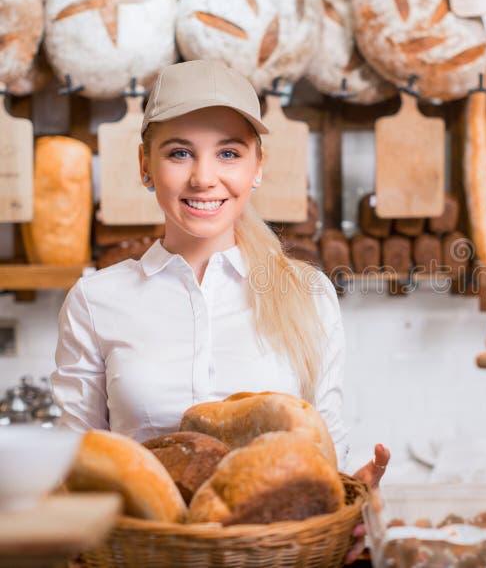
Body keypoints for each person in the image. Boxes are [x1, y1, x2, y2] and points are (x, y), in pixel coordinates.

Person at [51, 59, 388, 563]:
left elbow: (327, 446)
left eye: (228, 153)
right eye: (179, 153)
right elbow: (73, 464)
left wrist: (349, 504)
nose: (204, 178)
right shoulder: (95, 301)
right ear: (145, 165)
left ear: (258, 167)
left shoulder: (308, 293)